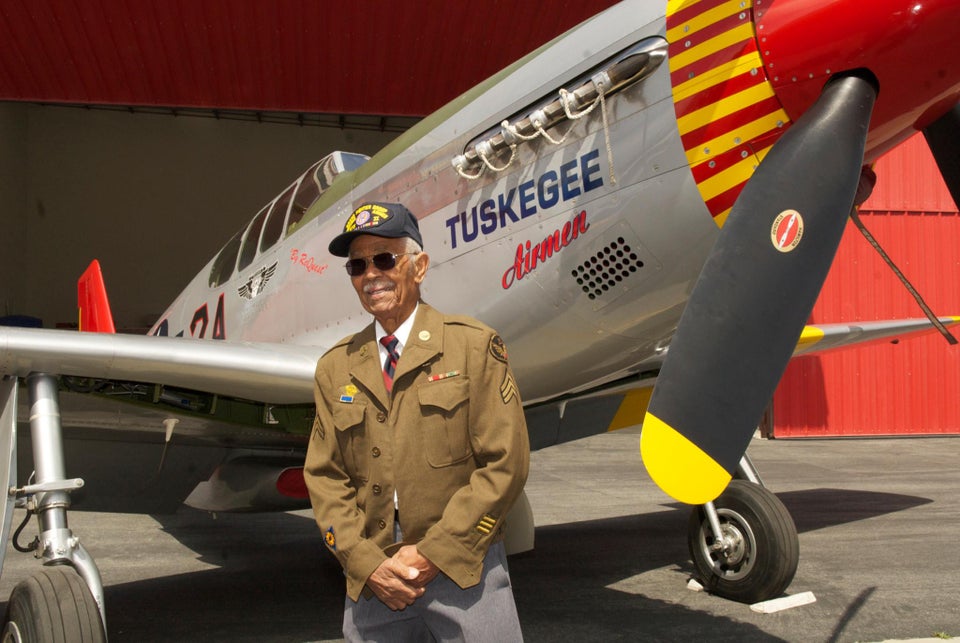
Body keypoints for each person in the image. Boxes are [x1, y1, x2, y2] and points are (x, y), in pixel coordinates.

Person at [303, 201, 530, 642]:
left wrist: (435, 553)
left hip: (466, 567)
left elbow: (506, 464)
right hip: (376, 580)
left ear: (419, 266)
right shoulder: (335, 368)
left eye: (385, 259)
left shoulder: (473, 347)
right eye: (358, 265)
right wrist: (365, 564)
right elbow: (324, 477)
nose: (371, 275)